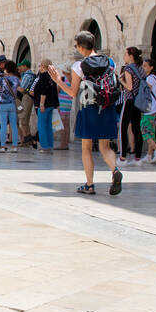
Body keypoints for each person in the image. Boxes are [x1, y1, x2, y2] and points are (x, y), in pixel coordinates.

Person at [50, 30, 122, 196]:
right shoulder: (110, 62)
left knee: (86, 147)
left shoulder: (79, 66)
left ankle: (89, 185)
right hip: (107, 106)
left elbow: (73, 92)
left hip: (89, 108)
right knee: (105, 146)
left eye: (76, 46)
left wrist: (58, 81)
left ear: (82, 47)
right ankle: (115, 169)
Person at [118, 46, 146, 167]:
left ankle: (123, 157)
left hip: (129, 100)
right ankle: (137, 157)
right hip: (138, 102)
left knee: (123, 127)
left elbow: (129, 87)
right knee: (136, 129)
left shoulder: (128, 68)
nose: (124, 57)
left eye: (125, 54)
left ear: (130, 56)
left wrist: (121, 81)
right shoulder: (140, 69)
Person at [139, 58, 156, 164]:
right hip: (155, 109)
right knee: (151, 132)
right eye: (143, 65)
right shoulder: (153, 78)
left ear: (151, 68)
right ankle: (149, 155)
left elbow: (145, 91)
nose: (143, 68)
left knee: (145, 130)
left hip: (150, 110)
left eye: (145, 66)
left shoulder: (150, 78)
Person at [0, 57, 21, 153]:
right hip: (12, 104)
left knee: (3, 125)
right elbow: (21, 89)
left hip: (2, 104)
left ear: (7, 69)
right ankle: (14, 146)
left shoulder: (3, 79)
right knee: (13, 125)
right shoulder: (17, 79)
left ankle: (3, 146)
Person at [33, 58, 60, 154]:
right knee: (48, 126)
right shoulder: (52, 77)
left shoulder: (44, 76)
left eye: (40, 65)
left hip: (44, 105)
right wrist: (57, 105)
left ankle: (44, 146)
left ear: (44, 66)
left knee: (42, 126)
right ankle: (49, 145)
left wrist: (41, 104)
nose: (39, 67)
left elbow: (43, 91)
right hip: (51, 105)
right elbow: (55, 92)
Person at [17, 60, 38, 148]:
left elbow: (22, 89)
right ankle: (28, 139)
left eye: (21, 66)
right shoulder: (31, 75)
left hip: (26, 98)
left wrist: (15, 86)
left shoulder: (27, 75)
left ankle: (27, 140)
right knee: (25, 118)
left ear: (25, 66)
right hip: (29, 98)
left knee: (23, 119)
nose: (20, 68)